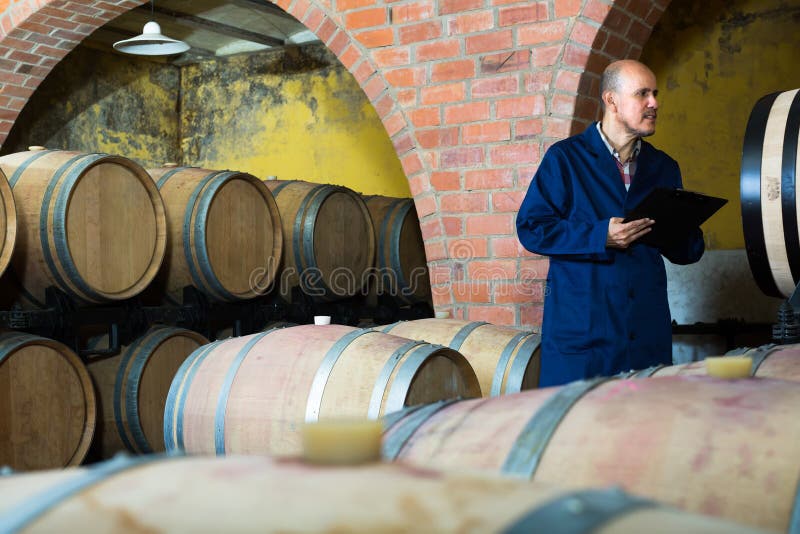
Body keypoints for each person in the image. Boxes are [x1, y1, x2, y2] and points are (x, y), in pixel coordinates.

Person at [516, 59, 704, 387]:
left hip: (646, 339)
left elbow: (686, 250)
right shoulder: (565, 159)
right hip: (583, 339)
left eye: (655, 94)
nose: (654, 103)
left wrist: (684, 225)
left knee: (645, 433)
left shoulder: (663, 167)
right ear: (611, 100)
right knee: (579, 433)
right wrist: (600, 235)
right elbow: (532, 228)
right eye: (642, 94)